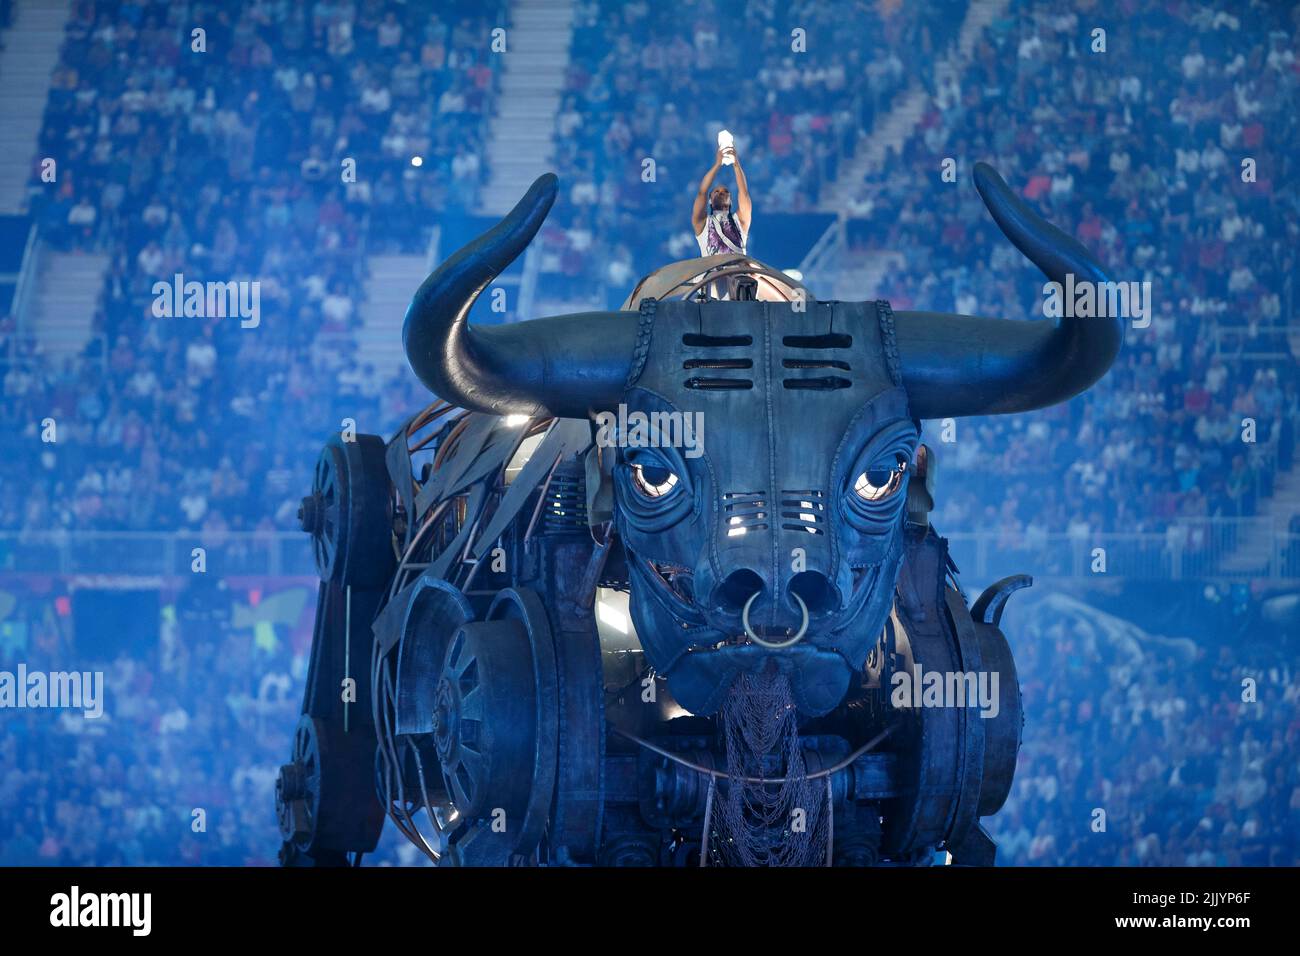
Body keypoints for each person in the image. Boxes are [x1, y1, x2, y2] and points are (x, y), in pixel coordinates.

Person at [692, 144, 752, 257]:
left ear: (731, 202)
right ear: (709, 200)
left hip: (738, 271)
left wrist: (736, 164)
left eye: (725, 192)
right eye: (717, 192)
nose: (721, 193)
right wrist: (717, 165)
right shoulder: (702, 223)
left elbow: (744, 194)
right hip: (714, 273)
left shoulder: (739, 221)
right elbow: (702, 192)